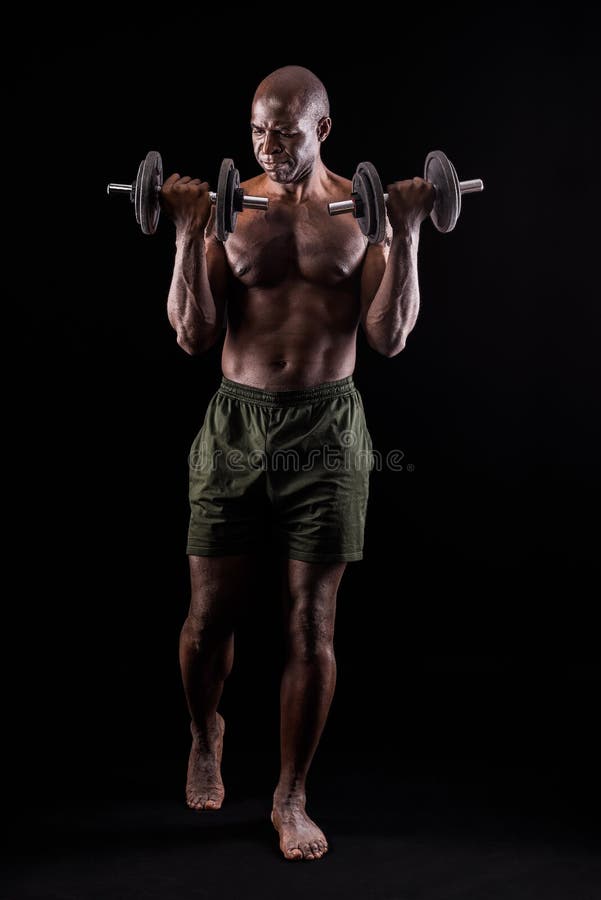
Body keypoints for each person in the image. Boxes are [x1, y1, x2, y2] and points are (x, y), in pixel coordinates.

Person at [160, 65, 434, 862]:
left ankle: (289, 794)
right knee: (208, 620)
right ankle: (205, 729)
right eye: (256, 132)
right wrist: (186, 236)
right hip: (234, 426)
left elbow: (388, 338)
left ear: (323, 130)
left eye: (285, 133)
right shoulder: (230, 208)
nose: (269, 148)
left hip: (327, 425)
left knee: (309, 624)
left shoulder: (361, 213)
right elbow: (190, 335)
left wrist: (407, 233)